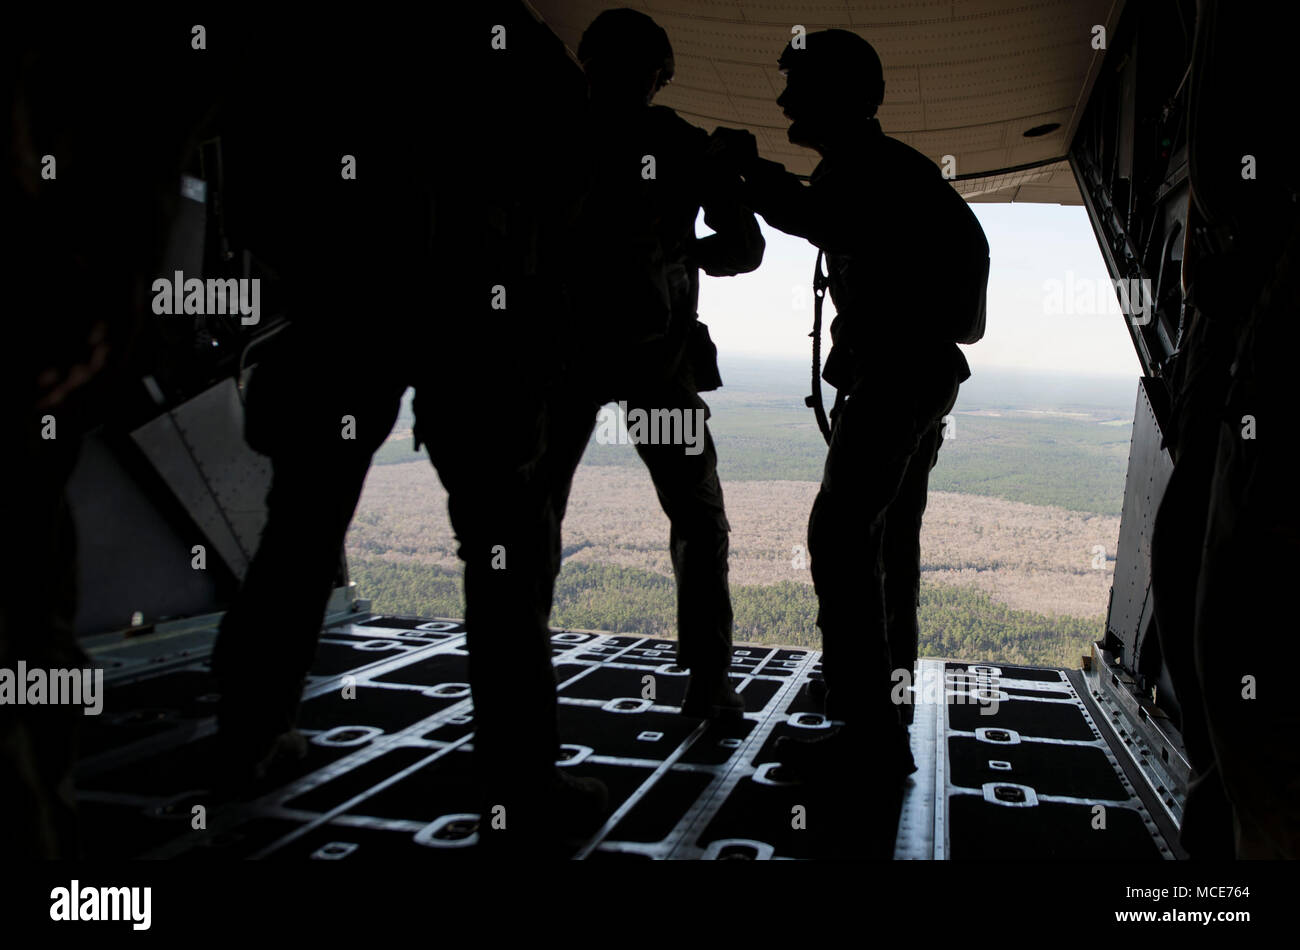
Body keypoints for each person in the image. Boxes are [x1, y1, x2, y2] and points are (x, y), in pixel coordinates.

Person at [210, 8, 607, 851]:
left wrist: (314, 263)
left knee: (303, 531)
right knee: (502, 547)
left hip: (346, 301)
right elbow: (572, 172)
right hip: (474, 306)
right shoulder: (506, 36)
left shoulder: (309, 32)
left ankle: (247, 741)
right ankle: (521, 779)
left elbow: (243, 158)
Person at [709, 29, 987, 780]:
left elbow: (814, 218)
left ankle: (869, 732)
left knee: (838, 536)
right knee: (889, 549)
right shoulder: (888, 169)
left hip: (897, 378)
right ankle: (880, 720)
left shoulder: (869, 170)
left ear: (836, 93)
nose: (783, 99)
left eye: (797, 86)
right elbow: (821, 214)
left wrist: (743, 169)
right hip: (918, 378)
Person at [543, 8, 764, 719]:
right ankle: (709, 686)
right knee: (699, 521)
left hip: (560, 361)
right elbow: (745, 249)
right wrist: (682, 253)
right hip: (656, 362)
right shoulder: (679, 143)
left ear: (585, 62)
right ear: (659, 76)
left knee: (529, 517)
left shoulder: (548, 133)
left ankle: (520, 695)